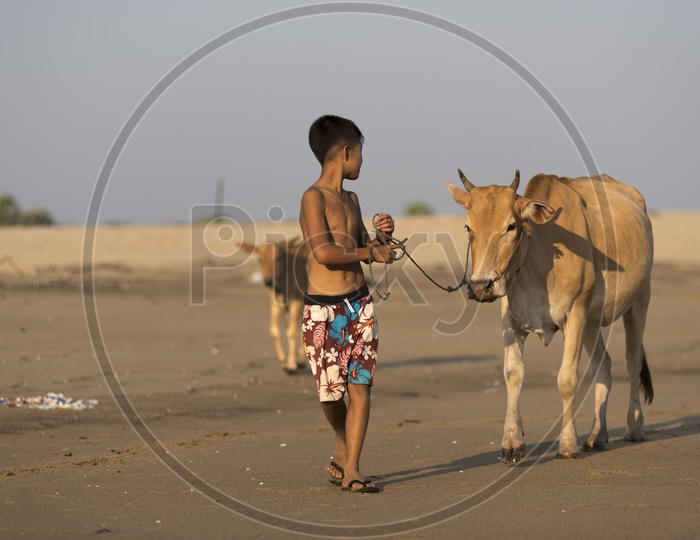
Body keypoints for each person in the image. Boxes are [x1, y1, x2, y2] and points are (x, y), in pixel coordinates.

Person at [299, 114, 402, 493]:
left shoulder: (353, 199)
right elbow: (325, 253)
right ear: (346, 152)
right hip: (322, 310)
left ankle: (354, 467)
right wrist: (371, 253)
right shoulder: (313, 198)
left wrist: (380, 238)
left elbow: (360, 248)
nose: (362, 161)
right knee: (330, 394)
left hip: (359, 305)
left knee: (360, 385)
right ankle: (342, 445)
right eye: (360, 152)